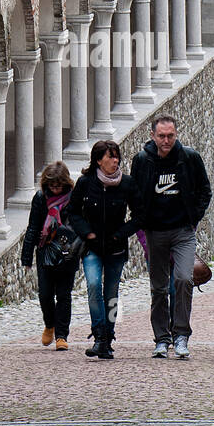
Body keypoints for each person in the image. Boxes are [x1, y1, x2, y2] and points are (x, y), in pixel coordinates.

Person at [130, 113, 211, 360]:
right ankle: (162, 339)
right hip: (155, 233)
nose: (166, 141)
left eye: (170, 136)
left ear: (176, 135)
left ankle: (181, 335)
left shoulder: (189, 158)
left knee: (184, 279)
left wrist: (192, 218)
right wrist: (142, 223)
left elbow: (204, 190)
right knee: (158, 288)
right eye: (162, 136)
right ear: (152, 135)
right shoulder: (142, 160)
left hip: (183, 232)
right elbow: (135, 195)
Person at [68, 139, 141, 360]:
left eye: (117, 156)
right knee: (92, 286)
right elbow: (73, 212)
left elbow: (139, 215)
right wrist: (86, 232)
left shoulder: (127, 183)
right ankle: (99, 334)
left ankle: (108, 336)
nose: (115, 160)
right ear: (99, 160)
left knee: (111, 294)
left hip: (115, 248)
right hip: (92, 247)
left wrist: (121, 233)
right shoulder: (85, 182)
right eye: (110, 156)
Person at [21, 161, 79, 352]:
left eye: (58, 185)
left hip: (67, 252)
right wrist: (27, 257)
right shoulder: (40, 198)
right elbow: (33, 227)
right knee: (45, 294)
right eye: (51, 185)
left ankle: (62, 335)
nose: (55, 189)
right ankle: (49, 324)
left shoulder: (73, 198)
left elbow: (78, 224)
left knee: (64, 295)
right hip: (45, 250)